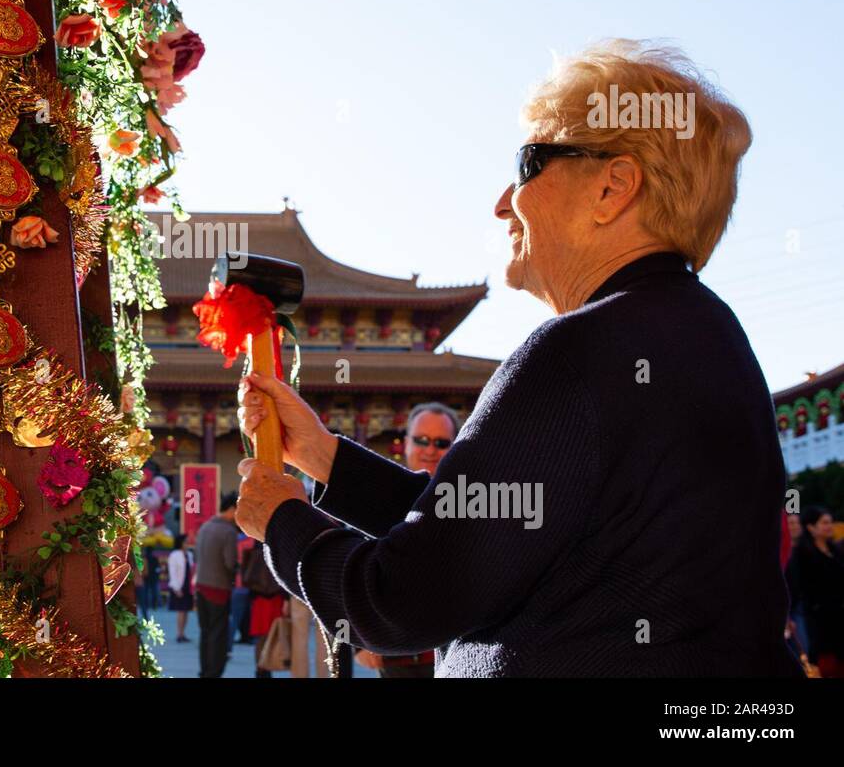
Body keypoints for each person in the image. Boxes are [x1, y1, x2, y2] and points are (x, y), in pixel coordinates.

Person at [236, 41, 801, 677]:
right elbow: (499, 526)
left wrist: (281, 519)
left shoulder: (579, 350)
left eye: (530, 163)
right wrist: (323, 457)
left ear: (612, 188)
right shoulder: (712, 333)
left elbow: (402, 600)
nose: (505, 201)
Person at [358, 402, 461, 679]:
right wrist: (357, 639)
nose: (430, 450)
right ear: (405, 444)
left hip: (453, 652)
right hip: (394, 654)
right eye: (421, 440)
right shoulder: (379, 497)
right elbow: (357, 566)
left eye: (441, 443)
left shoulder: (471, 501)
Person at [787, 507, 844, 677]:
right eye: (824, 523)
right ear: (811, 527)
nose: (830, 526)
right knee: (827, 664)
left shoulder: (836, 550)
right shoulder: (802, 554)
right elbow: (800, 588)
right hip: (820, 621)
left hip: (839, 616)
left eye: (830, 522)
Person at [193, 493, 239, 678]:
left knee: (205, 633)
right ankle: (214, 672)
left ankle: (204, 671)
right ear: (231, 509)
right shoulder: (228, 531)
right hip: (218, 589)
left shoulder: (205, 526)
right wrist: (236, 570)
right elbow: (230, 563)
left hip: (201, 586)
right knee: (218, 634)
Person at [242, 539, 285, 677]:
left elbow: (248, 574)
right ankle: (266, 668)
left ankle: (261, 669)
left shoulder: (255, 545)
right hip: (275, 596)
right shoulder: (278, 544)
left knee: (261, 637)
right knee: (273, 634)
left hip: (258, 596)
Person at [166, 533, 193, 643]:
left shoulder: (189, 554)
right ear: (180, 543)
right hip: (179, 586)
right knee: (181, 611)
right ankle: (179, 634)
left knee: (186, 610)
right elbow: (172, 572)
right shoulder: (174, 554)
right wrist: (176, 588)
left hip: (188, 585)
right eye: (185, 542)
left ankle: (183, 633)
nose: (187, 543)